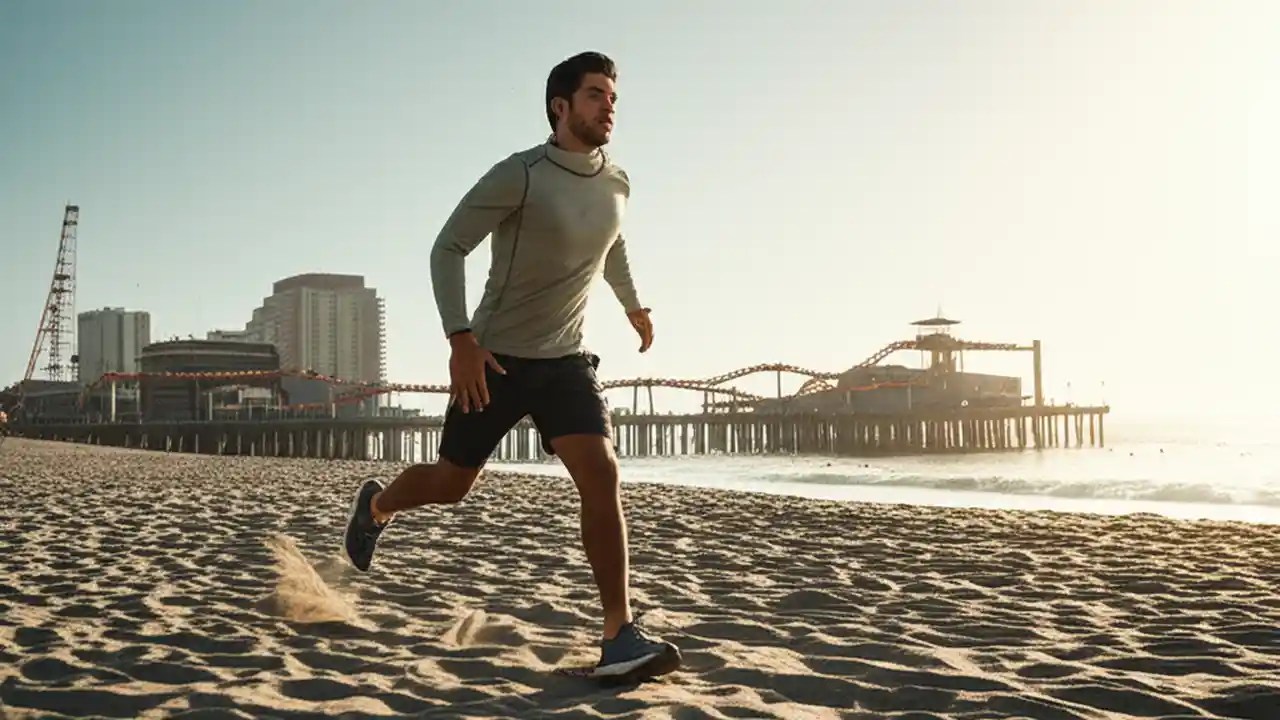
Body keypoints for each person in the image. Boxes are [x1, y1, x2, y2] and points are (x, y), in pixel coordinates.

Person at [343, 51, 681, 681]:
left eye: (612, 96)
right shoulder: (519, 174)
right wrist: (460, 340)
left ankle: (619, 634)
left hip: (567, 360)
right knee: (451, 483)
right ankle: (378, 507)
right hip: (495, 359)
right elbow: (448, 247)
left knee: (601, 472)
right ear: (561, 107)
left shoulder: (618, 181)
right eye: (595, 95)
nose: (609, 106)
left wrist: (634, 305)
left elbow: (613, 245)